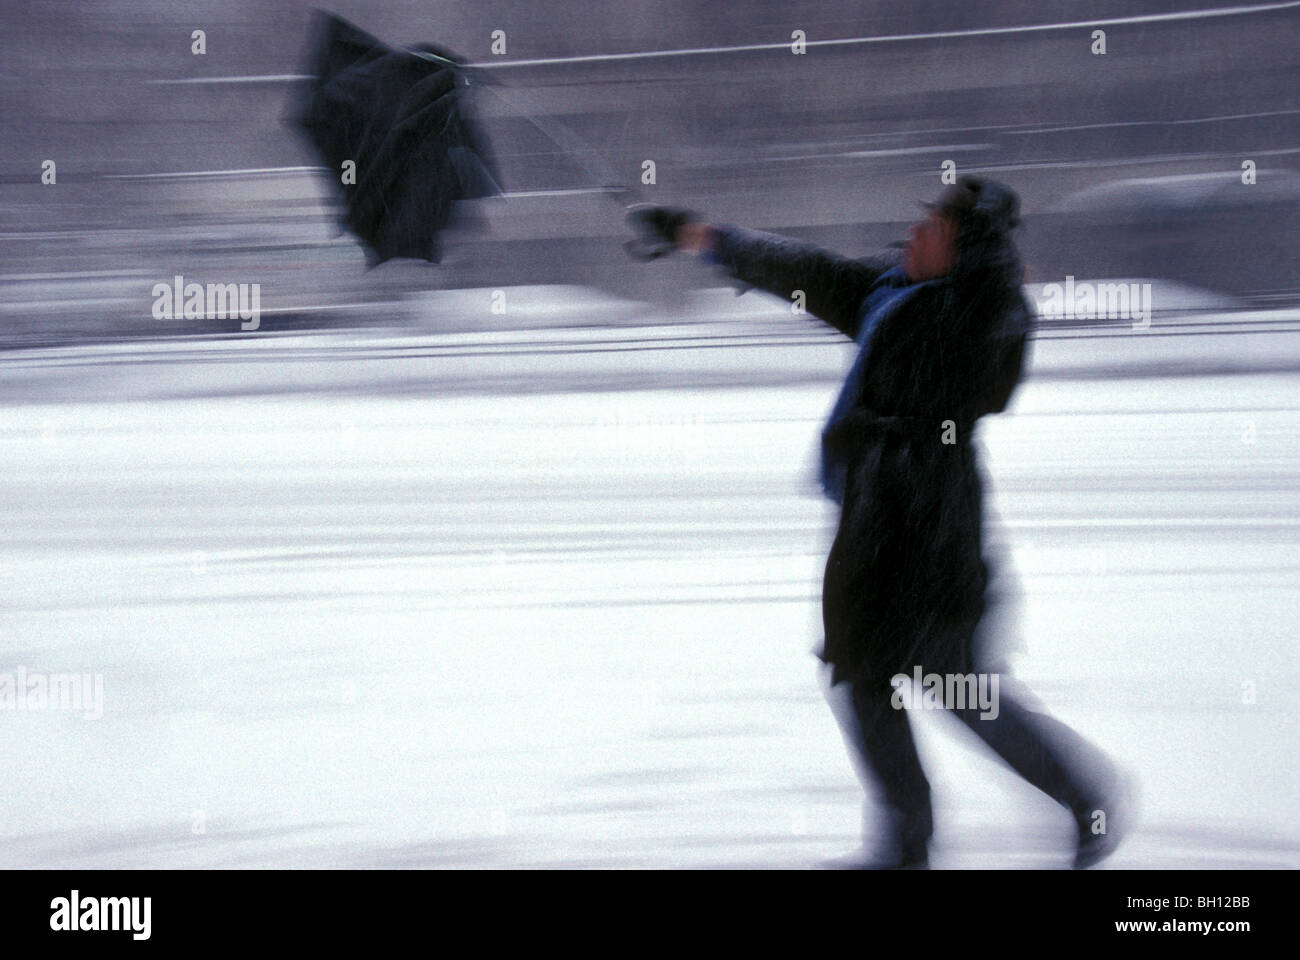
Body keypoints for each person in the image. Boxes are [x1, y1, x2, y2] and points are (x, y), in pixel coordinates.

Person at [628, 177, 1134, 868]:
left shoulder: (975, 317)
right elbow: (804, 270)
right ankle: (907, 843)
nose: (913, 234)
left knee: (957, 688)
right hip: (870, 522)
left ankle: (1085, 797)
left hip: (930, 525)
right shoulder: (886, 292)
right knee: (863, 679)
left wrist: (987, 262)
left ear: (965, 254)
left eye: (932, 228)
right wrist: (697, 235)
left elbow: (999, 350)